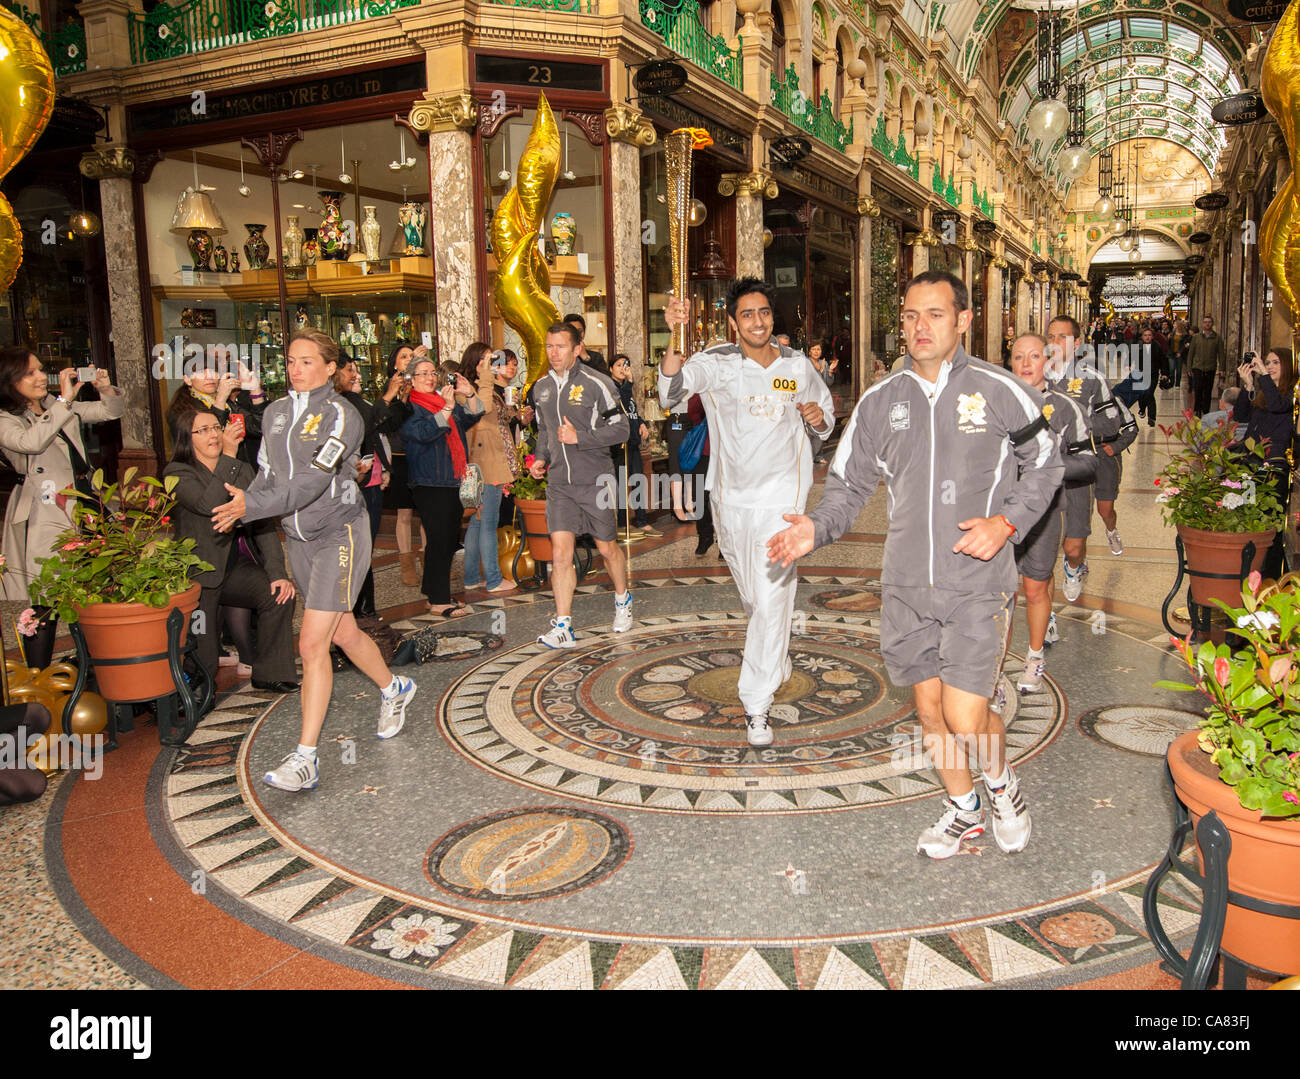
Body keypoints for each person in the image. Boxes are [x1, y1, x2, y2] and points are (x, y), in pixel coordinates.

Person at [767, 270, 1062, 857]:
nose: (919, 327)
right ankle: (963, 809)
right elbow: (849, 485)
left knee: (965, 712)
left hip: (976, 582)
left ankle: (1002, 785)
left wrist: (1006, 523)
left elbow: (1048, 462)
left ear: (963, 320)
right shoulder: (881, 402)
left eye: (933, 314)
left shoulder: (1000, 389)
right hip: (905, 585)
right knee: (930, 713)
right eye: (908, 316)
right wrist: (815, 529)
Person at [210, 330, 417, 793]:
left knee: (311, 643)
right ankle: (394, 688)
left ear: (330, 368)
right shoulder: (278, 414)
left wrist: (253, 508)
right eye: (290, 361)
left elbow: (312, 483)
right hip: (297, 539)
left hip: (339, 532)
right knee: (343, 631)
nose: (296, 369)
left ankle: (305, 758)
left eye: (307, 361)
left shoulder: (343, 416)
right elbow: (267, 475)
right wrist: (246, 499)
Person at [660, 279, 835, 746]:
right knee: (756, 601)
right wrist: (671, 341)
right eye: (748, 314)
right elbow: (672, 391)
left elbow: (826, 414)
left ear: (771, 317)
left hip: (782, 503)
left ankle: (756, 704)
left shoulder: (796, 366)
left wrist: (819, 419)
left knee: (773, 598)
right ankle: (774, 656)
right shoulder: (717, 366)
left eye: (764, 312)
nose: (758, 321)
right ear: (734, 322)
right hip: (731, 501)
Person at [0, 349, 125, 668]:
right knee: (45, 595)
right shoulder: (6, 417)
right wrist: (63, 402)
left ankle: (97, 664)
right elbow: (31, 443)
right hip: (44, 511)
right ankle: (37, 675)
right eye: (30, 373)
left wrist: (106, 389)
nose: (41, 377)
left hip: (83, 501)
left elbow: (110, 412)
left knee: (98, 583)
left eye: (41, 370)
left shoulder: (55, 406)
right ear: (9, 379)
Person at [164, 409, 298, 691]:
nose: (213, 434)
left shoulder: (241, 470)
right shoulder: (177, 472)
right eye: (203, 430)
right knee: (205, 653)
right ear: (186, 439)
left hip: (233, 568)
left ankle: (271, 672)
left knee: (279, 595)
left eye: (215, 427)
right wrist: (228, 457)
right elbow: (208, 506)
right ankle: (194, 691)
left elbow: (262, 524)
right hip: (199, 574)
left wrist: (277, 572)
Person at [527, 322, 631, 647]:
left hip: (594, 480)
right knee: (560, 554)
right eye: (549, 346)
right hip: (559, 484)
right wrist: (540, 458)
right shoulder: (541, 387)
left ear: (576, 349)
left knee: (606, 549)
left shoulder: (597, 383)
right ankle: (564, 626)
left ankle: (623, 599)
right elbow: (544, 430)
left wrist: (580, 438)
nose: (553, 353)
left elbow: (622, 429)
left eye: (560, 347)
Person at [1007, 334, 1095, 692]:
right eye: (1018, 357)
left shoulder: (1063, 407)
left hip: (1044, 512)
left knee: (1034, 586)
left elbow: (1088, 463)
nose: (1026, 364)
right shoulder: (993, 404)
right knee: (1000, 593)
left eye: (1034, 356)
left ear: (1048, 362)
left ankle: (1034, 656)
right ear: (1009, 362)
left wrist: (1049, 467)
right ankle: (995, 665)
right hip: (1000, 514)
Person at [1046, 315, 1136, 601]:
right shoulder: (1035, 375)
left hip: (1080, 468)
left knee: (1076, 539)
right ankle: (1045, 617)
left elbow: (1111, 422)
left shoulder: (1091, 378)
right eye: (1051, 336)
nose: (1055, 343)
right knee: (1043, 546)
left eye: (1063, 337)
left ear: (1077, 343)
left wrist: (1074, 425)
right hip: (1044, 471)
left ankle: (1075, 565)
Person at [402, 356, 484, 617]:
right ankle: (438, 600)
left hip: (451, 480)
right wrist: (447, 409)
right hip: (429, 482)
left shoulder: (440, 402)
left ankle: (435, 593)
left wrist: (469, 392)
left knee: (448, 539)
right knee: (439, 540)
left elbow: (472, 415)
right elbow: (424, 432)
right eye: (423, 374)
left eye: (432, 373)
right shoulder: (409, 407)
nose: (430, 378)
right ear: (411, 380)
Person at [334, 360, 389, 619]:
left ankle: (365, 610)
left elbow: (375, 432)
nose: (355, 375)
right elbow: (373, 421)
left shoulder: (355, 402)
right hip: (341, 489)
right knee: (350, 550)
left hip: (367, 481)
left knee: (363, 546)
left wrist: (385, 467)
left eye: (356, 370)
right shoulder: (335, 405)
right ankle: (354, 612)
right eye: (349, 370)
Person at [1234, 347, 1296, 578]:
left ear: (1288, 366)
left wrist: (1264, 380)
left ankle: (1270, 575)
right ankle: (1249, 569)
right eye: (1267, 363)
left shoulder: (1291, 395)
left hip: (1273, 467)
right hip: (1251, 466)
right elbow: (1241, 415)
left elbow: (1279, 407)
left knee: (1269, 520)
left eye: (1275, 363)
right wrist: (1248, 386)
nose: (1269, 367)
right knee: (1248, 513)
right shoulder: (1265, 391)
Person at [462, 345, 519, 593]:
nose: (494, 363)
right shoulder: (470, 388)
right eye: (488, 359)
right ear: (477, 363)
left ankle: (472, 576)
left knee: (478, 522)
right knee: (487, 523)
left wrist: (512, 408)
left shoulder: (483, 387)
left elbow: (495, 418)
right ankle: (494, 579)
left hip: (491, 457)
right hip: (486, 462)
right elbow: (481, 409)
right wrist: (486, 377)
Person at [373, 344, 424, 586]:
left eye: (412, 357)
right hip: (400, 454)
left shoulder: (422, 385)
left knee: (425, 511)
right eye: (404, 357)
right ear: (395, 363)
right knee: (404, 512)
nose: (408, 360)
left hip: (422, 453)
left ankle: (428, 560)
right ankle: (406, 564)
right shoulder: (390, 391)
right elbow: (387, 425)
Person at [166, 362, 267, 467]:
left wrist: (255, 390)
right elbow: (213, 439)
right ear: (187, 379)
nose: (209, 377)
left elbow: (259, 427)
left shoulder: (226, 404)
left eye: (213, 371)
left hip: (236, 469)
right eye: (201, 372)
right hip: (203, 473)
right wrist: (221, 399)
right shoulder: (182, 409)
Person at [609, 353, 660, 537]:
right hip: (619, 445)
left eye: (626, 365)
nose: (623, 368)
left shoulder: (627, 388)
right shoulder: (611, 388)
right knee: (622, 485)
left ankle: (642, 521)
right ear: (611, 369)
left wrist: (641, 423)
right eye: (619, 365)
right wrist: (629, 383)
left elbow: (631, 411)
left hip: (632, 443)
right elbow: (619, 405)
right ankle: (623, 524)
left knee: (637, 481)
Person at [685, 391, 715, 555]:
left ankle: (725, 541)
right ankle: (705, 535)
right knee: (699, 498)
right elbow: (693, 412)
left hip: (726, 454)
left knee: (722, 500)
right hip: (703, 453)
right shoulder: (700, 394)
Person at [1187, 315, 1226, 417]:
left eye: (1209, 322)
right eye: (1205, 322)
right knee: (1198, 388)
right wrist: (1189, 367)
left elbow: (1221, 354)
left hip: (1210, 367)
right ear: (1202, 324)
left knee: (1208, 390)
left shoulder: (1217, 338)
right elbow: (1191, 353)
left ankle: (1206, 409)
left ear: (1212, 324)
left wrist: (1222, 368)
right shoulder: (1196, 338)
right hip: (1198, 367)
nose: (1207, 324)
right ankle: (1198, 409)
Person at [1134, 327, 1167, 427]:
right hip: (1140, 373)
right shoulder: (1138, 346)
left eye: (1149, 335)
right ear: (1142, 337)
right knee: (1142, 394)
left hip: (1153, 374)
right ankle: (1142, 408)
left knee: (1149, 393)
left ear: (1152, 336)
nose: (1147, 337)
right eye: (1145, 335)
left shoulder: (1157, 347)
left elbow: (1163, 360)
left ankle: (1152, 417)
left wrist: (1164, 373)